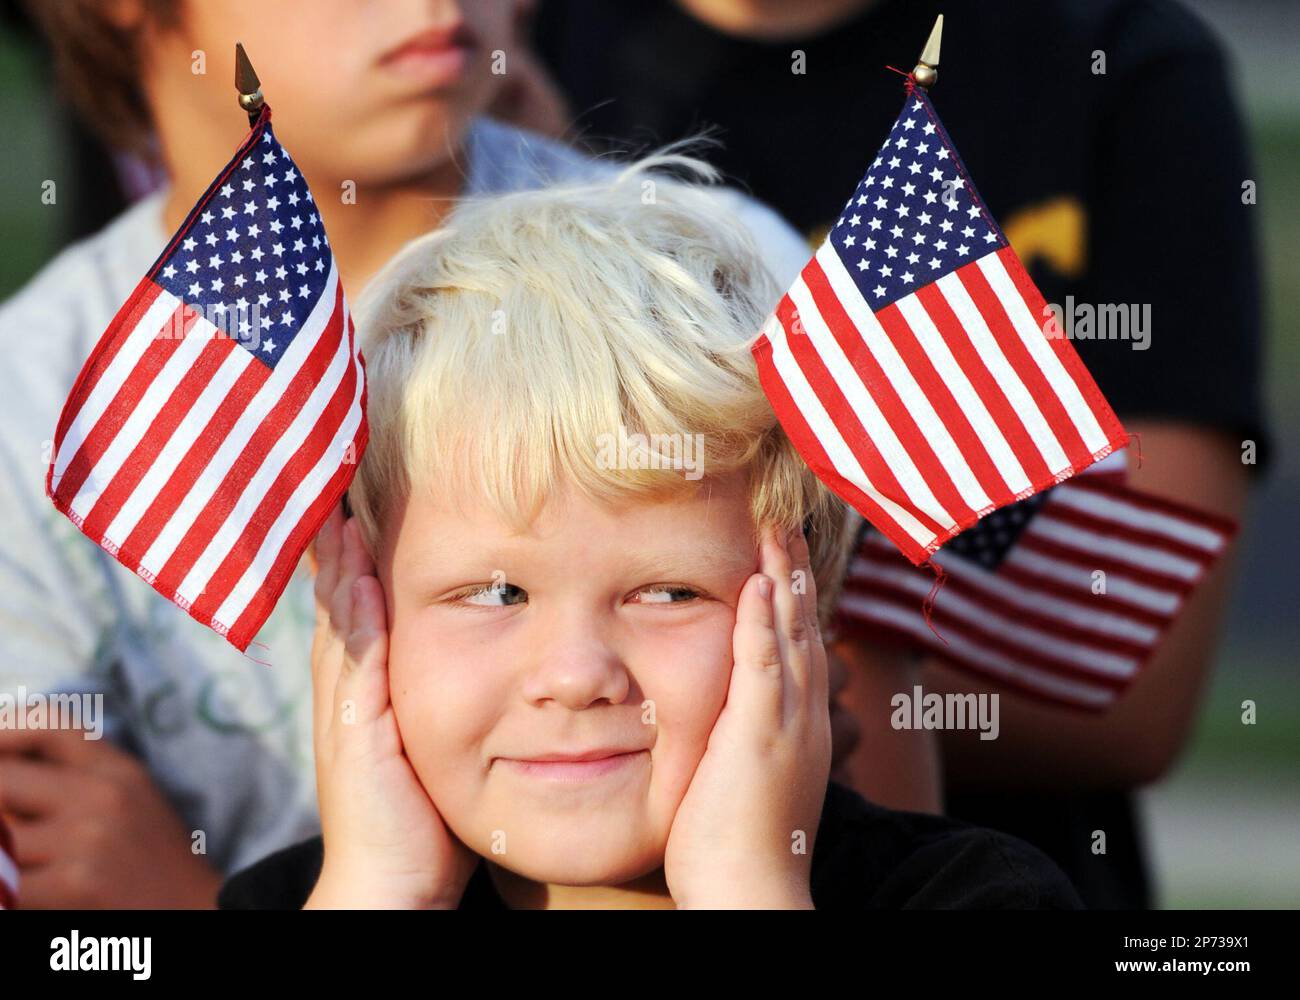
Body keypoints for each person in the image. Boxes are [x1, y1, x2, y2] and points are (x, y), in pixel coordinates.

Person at [0, 0, 809, 908]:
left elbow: (834, 802)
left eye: (664, 591)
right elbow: (45, 837)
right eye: (491, 592)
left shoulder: (708, 279)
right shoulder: (27, 398)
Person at [531, 0, 1264, 908]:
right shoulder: (505, 53)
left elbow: (1134, 680)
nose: (572, 674)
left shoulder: (1112, 53)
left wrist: (782, 664)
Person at [218, 161, 1082, 909]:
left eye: (667, 592)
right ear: (360, 619)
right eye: (493, 593)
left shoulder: (974, 896)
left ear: (803, 609)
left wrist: (750, 890)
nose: (574, 675)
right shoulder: (296, 901)